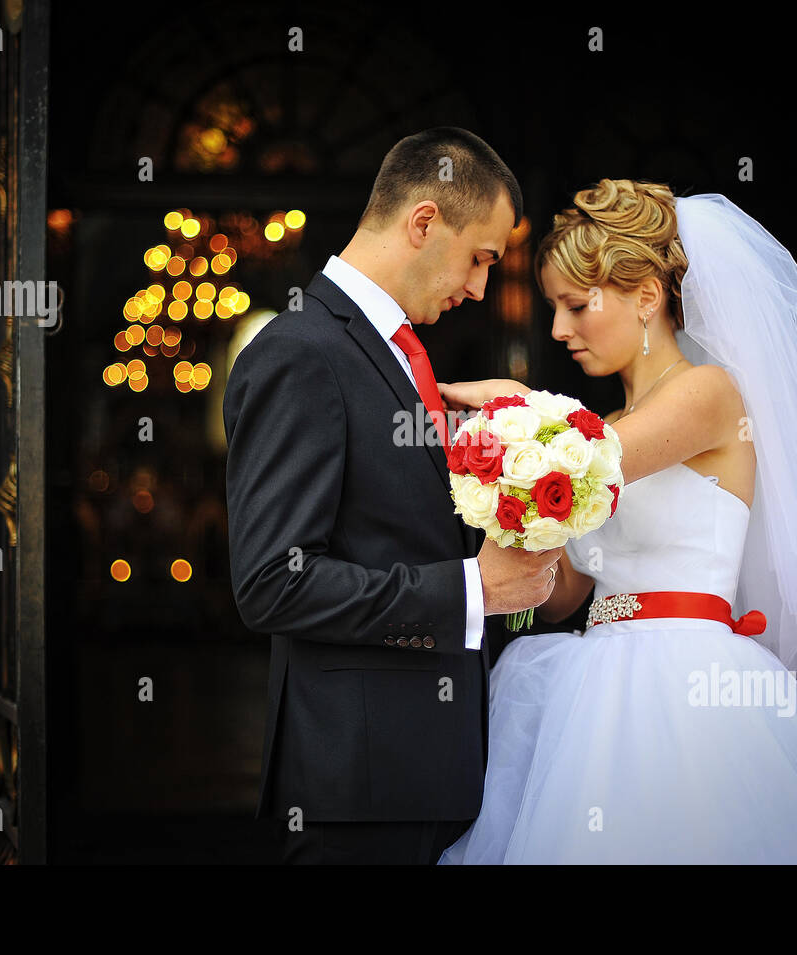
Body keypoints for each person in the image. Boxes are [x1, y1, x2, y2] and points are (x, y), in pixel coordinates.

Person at [436, 179, 797, 863]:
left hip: (688, 680)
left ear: (645, 296)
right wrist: (516, 516)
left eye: (576, 306)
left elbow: (592, 465)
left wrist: (518, 408)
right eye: (552, 308)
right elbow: (565, 597)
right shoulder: (597, 432)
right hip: (591, 683)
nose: (557, 330)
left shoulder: (708, 394)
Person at [223, 127, 562, 864]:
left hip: (432, 780)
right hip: (354, 792)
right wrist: (473, 587)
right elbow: (272, 582)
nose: (479, 287)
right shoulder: (299, 352)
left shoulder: (398, 357)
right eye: (480, 258)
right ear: (423, 221)